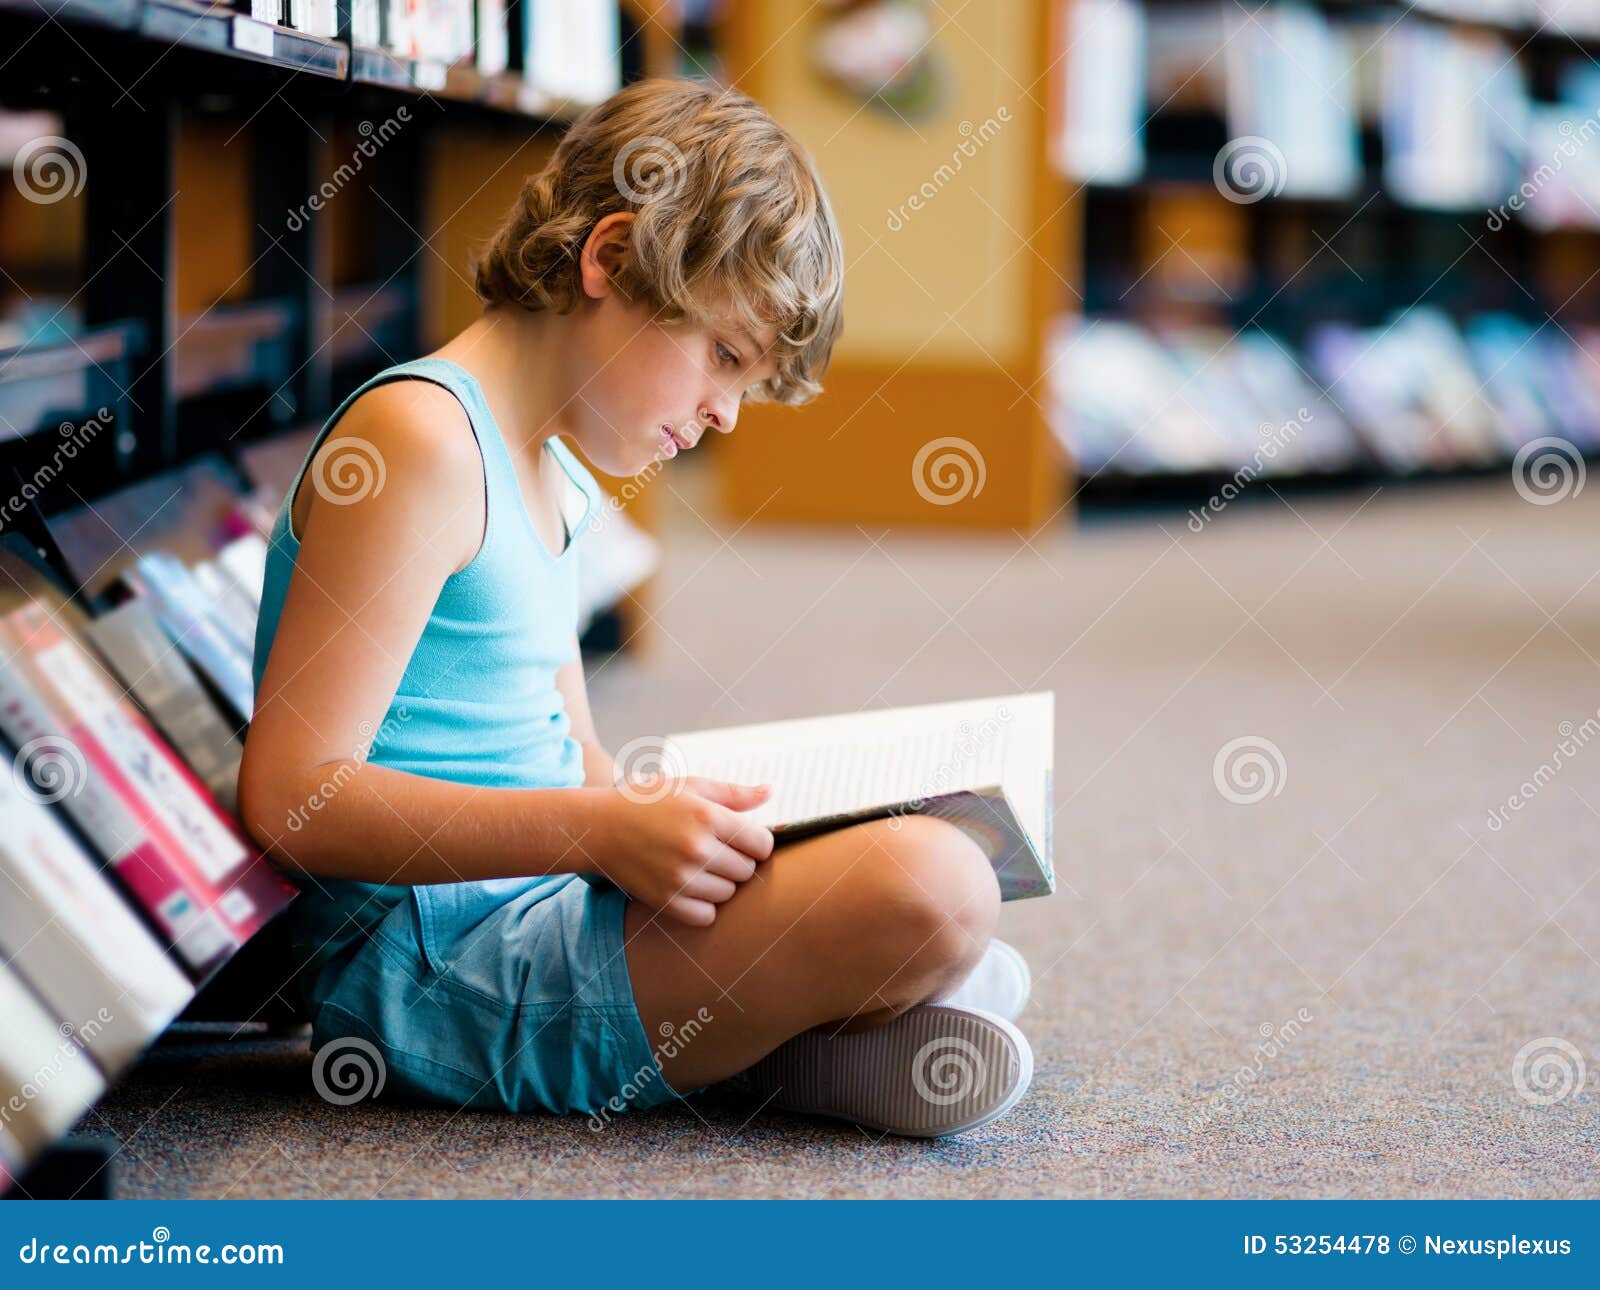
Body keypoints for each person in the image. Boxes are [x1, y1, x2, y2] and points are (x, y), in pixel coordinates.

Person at [240, 78, 1033, 1138]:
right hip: (424, 964)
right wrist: (603, 831)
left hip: (540, 893)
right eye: (724, 357)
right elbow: (291, 800)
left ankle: (775, 1029)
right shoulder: (419, 442)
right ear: (611, 258)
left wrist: (677, 823)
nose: (725, 414)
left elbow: (574, 756)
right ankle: (783, 1038)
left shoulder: (556, 470)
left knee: (919, 865)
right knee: (934, 893)